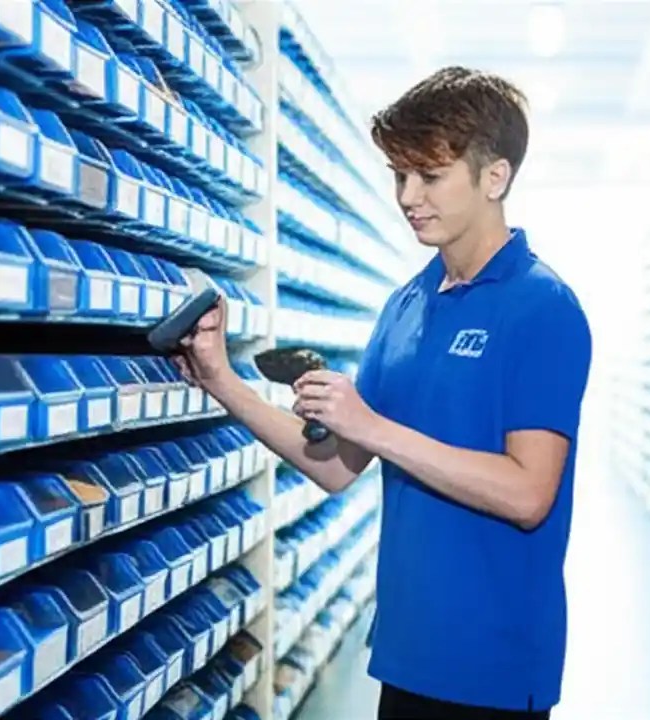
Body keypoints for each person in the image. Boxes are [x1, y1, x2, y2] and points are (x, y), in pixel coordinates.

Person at [171, 66, 592, 719]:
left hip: (494, 665)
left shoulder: (543, 308)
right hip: (407, 650)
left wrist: (373, 426)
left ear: (495, 177)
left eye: (429, 175)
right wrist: (222, 380)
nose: (408, 196)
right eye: (399, 175)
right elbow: (337, 465)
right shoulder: (406, 305)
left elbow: (528, 493)